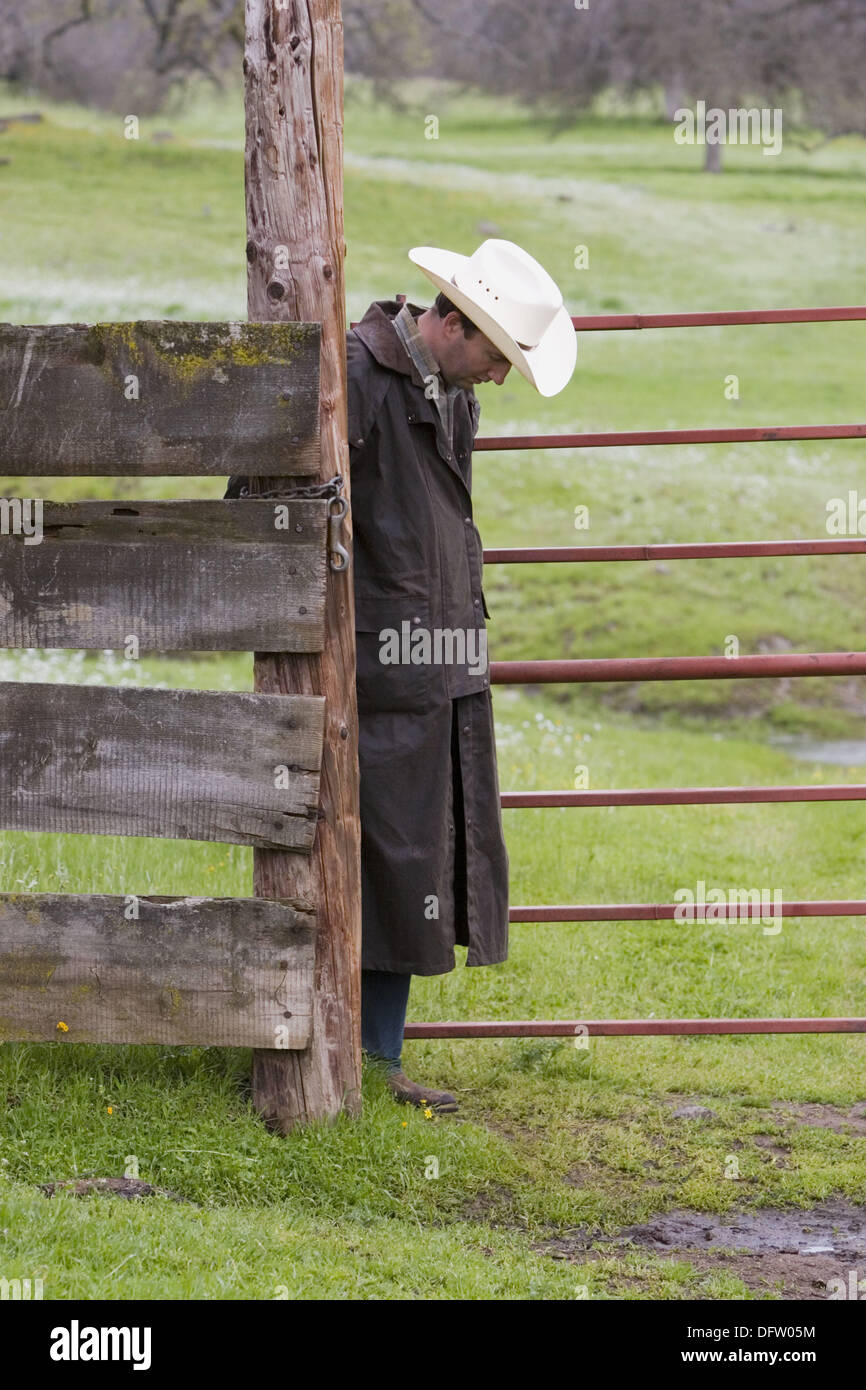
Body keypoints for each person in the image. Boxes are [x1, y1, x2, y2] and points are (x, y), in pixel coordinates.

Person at [347, 239, 577, 1112]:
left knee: (418, 856)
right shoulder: (352, 380)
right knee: (376, 852)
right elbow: (267, 510)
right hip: (373, 673)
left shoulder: (448, 396)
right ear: (451, 323)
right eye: (496, 356)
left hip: (436, 663)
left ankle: (379, 1059)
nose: (501, 378)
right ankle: (353, 1059)